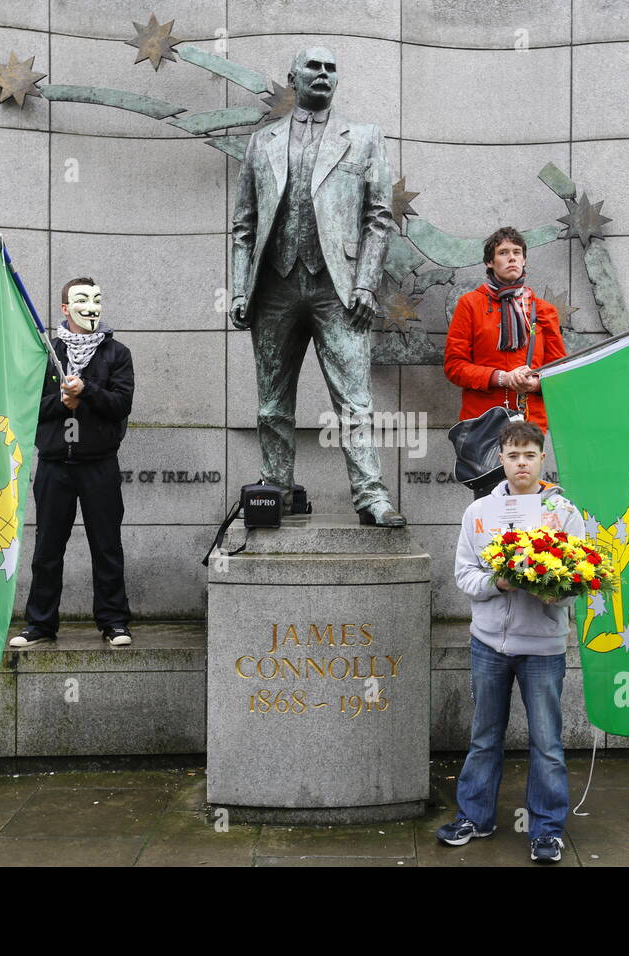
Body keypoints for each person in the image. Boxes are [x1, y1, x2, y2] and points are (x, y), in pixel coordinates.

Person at [229, 46, 404, 527]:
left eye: (331, 68)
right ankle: (277, 491)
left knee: (355, 400)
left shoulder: (365, 138)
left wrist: (367, 285)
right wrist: (240, 288)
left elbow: (378, 218)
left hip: (339, 289)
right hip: (274, 288)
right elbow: (244, 224)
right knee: (271, 402)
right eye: (314, 67)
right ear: (294, 77)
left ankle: (371, 495)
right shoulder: (261, 142)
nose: (323, 74)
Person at [437, 419, 586, 863]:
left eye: (530, 455)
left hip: (542, 646)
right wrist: (499, 584)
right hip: (488, 644)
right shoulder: (478, 513)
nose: (522, 463)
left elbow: (579, 578)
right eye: (513, 456)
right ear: (500, 460)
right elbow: (464, 574)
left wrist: (553, 588)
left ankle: (546, 829)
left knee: (546, 742)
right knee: (484, 735)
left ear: (543, 459)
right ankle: (475, 817)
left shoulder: (564, 513)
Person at [12, 277, 135, 648]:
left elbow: (121, 404)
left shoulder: (118, 353)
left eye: (96, 299)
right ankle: (40, 625)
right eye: (81, 300)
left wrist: (88, 392)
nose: (91, 306)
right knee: (47, 548)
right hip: (54, 466)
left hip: (99, 464)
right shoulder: (44, 353)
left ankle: (114, 622)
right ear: (65, 309)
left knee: (107, 546)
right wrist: (61, 403)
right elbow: (27, 406)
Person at [443, 226, 567, 497]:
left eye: (517, 252)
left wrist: (533, 384)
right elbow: (454, 366)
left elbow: (560, 372)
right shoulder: (470, 304)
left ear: (524, 260)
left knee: (528, 505)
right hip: (486, 426)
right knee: (490, 506)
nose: (511, 258)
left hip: (531, 424)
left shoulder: (543, 310)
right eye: (503, 253)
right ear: (490, 262)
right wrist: (502, 377)